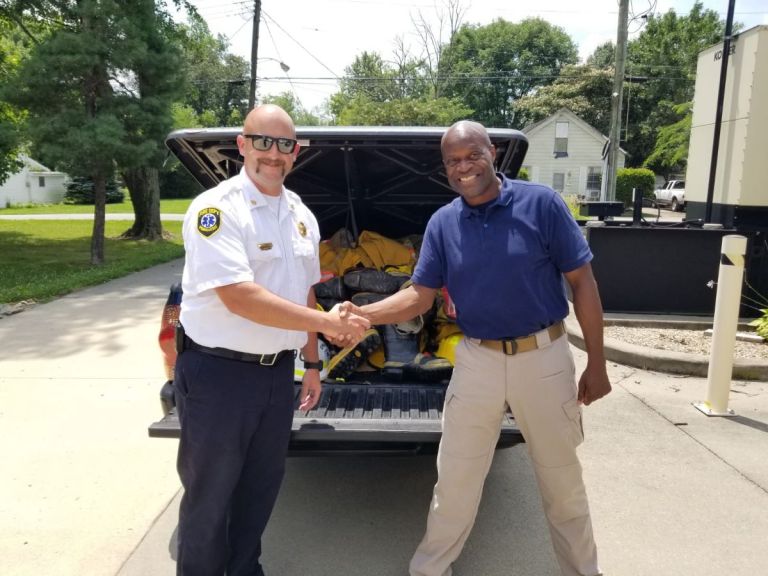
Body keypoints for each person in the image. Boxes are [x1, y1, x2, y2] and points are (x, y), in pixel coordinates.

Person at [347, 120, 611, 576]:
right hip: (476, 361)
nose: (464, 167)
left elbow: (583, 282)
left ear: (493, 153)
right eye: (453, 161)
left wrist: (597, 363)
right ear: (445, 168)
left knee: (562, 483)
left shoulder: (541, 204)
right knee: (456, 479)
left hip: (543, 359)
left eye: (473, 155)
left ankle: (583, 571)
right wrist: (360, 314)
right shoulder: (444, 222)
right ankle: (430, 570)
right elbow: (419, 296)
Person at [174, 103, 369, 576]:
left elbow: (304, 291)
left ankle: (245, 568)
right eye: (263, 141)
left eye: (285, 144)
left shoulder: (301, 214)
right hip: (218, 375)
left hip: (276, 375)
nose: (273, 153)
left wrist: (313, 364)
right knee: (210, 495)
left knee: (260, 487)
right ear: (242, 145)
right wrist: (328, 323)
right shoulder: (218, 209)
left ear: (296, 151)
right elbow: (240, 297)